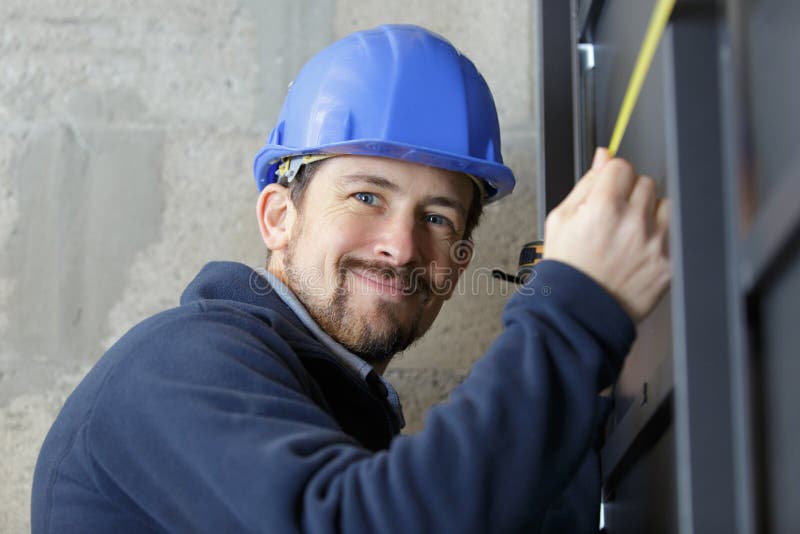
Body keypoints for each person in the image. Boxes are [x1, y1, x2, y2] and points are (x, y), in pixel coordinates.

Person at [31, 24, 670, 533]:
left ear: (460, 263)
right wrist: (580, 309)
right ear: (279, 217)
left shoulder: (333, 414)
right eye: (366, 196)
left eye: (438, 217)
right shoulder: (176, 364)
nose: (400, 246)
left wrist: (588, 413)